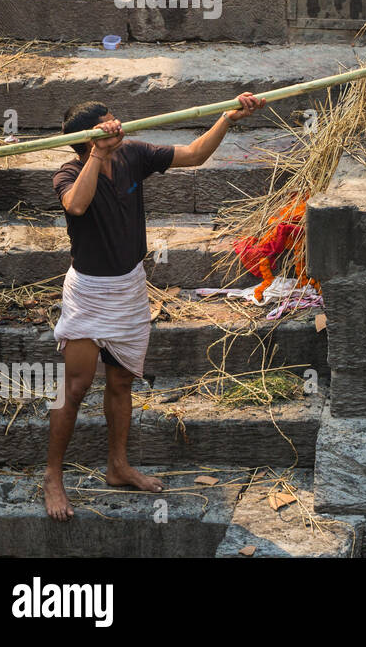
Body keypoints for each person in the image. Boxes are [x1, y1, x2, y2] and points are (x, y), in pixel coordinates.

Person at [44, 92, 266, 521]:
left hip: (129, 288)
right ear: (89, 140)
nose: (119, 127)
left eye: (115, 120)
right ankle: (53, 476)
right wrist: (96, 155)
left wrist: (227, 117)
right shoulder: (68, 172)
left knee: (122, 382)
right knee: (74, 387)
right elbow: (77, 204)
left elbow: (195, 154)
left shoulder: (134, 154)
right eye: (109, 124)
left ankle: (118, 465)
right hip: (89, 293)